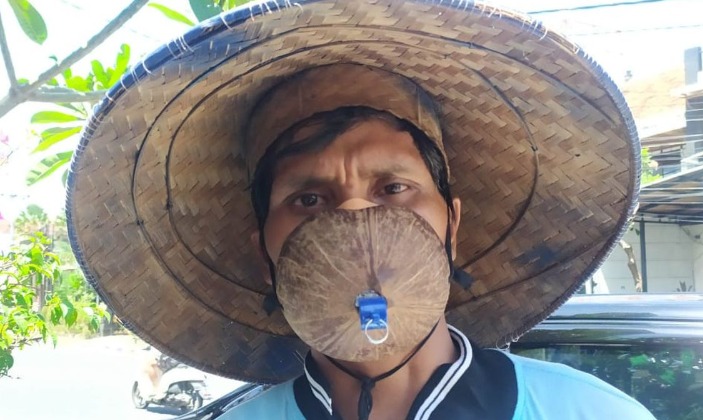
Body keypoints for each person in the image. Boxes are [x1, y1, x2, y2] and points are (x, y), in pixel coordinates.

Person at [66, 1, 655, 419]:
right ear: (264, 255)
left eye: (393, 189)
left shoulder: (592, 412)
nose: (353, 217)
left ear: (452, 226)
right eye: (309, 199)